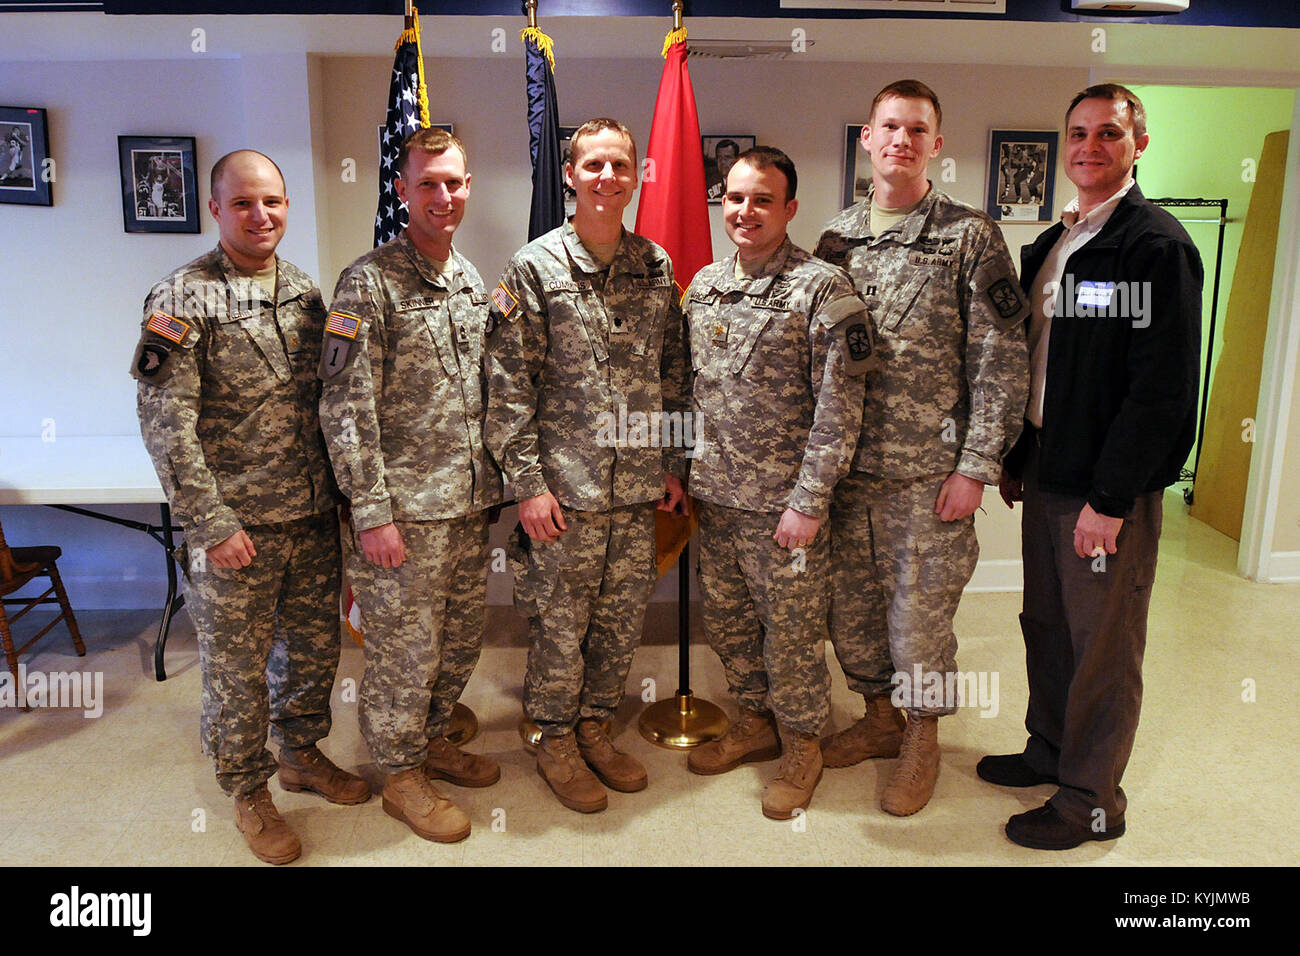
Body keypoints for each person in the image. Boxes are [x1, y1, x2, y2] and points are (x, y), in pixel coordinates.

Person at [981, 84, 1202, 850]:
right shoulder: (1056, 243)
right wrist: (1017, 455)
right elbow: (1037, 364)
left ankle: (1089, 802)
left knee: (1103, 647)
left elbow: (1163, 389)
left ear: (1138, 143)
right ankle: (1049, 749)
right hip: (1049, 470)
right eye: (1077, 133)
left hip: (1105, 490)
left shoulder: (1153, 245)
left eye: (1108, 133)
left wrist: (1110, 498)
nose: (1088, 147)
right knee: (1046, 626)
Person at [132, 149, 368, 866]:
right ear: (216, 210)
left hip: (309, 516)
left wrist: (344, 501)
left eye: (272, 201)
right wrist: (211, 523)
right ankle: (247, 789)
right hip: (235, 531)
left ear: (287, 205)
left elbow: (329, 401)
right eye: (243, 204)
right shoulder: (181, 297)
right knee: (235, 671)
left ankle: (301, 753)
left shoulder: (303, 291)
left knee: (313, 652)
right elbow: (164, 423)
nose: (260, 215)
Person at [814, 80, 1029, 816]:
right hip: (848, 475)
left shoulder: (969, 236)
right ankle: (878, 717)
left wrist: (976, 466)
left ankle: (921, 734)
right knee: (852, 614)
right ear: (866, 140)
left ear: (936, 145)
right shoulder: (836, 239)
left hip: (927, 476)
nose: (901, 140)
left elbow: (1002, 358)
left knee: (918, 623)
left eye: (917, 130)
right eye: (889, 127)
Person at [485, 117, 690, 813]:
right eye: (594, 165)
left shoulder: (655, 264)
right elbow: (509, 386)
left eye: (620, 166)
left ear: (637, 177)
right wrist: (528, 487)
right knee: (558, 626)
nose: (608, 178)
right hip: (563, 493)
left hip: (635, 490)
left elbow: (674, 370)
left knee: (619, 620)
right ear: (570, 175)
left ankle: (596, 724)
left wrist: (672, 464)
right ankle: (551, 734)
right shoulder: (534, 267)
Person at [318, 127, 503, 844]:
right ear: (401, 190)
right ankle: (398, 775)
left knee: (456, 642)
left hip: (463, 506)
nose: (444, 195)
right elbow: (345, 405)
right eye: (428, 183)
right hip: (401, 515)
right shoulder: (368, 282)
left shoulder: (464, 277)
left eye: (454, 182)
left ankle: (429, 742)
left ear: (468, 186)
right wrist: (371, 512)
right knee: (404, 650)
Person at [681, 147, 870, 819]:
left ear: (790, 209)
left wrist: (810, 500)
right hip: (717, 496)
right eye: (734, 197)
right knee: (731, 625)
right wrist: (682, 471)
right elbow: (688, 390)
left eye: (762, 199)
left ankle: (801, 744)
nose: (745, 211)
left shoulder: (823, 288)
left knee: (790, 635)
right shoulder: (702, 286)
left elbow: (841, 403)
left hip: (785, 508)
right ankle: (754, 720)